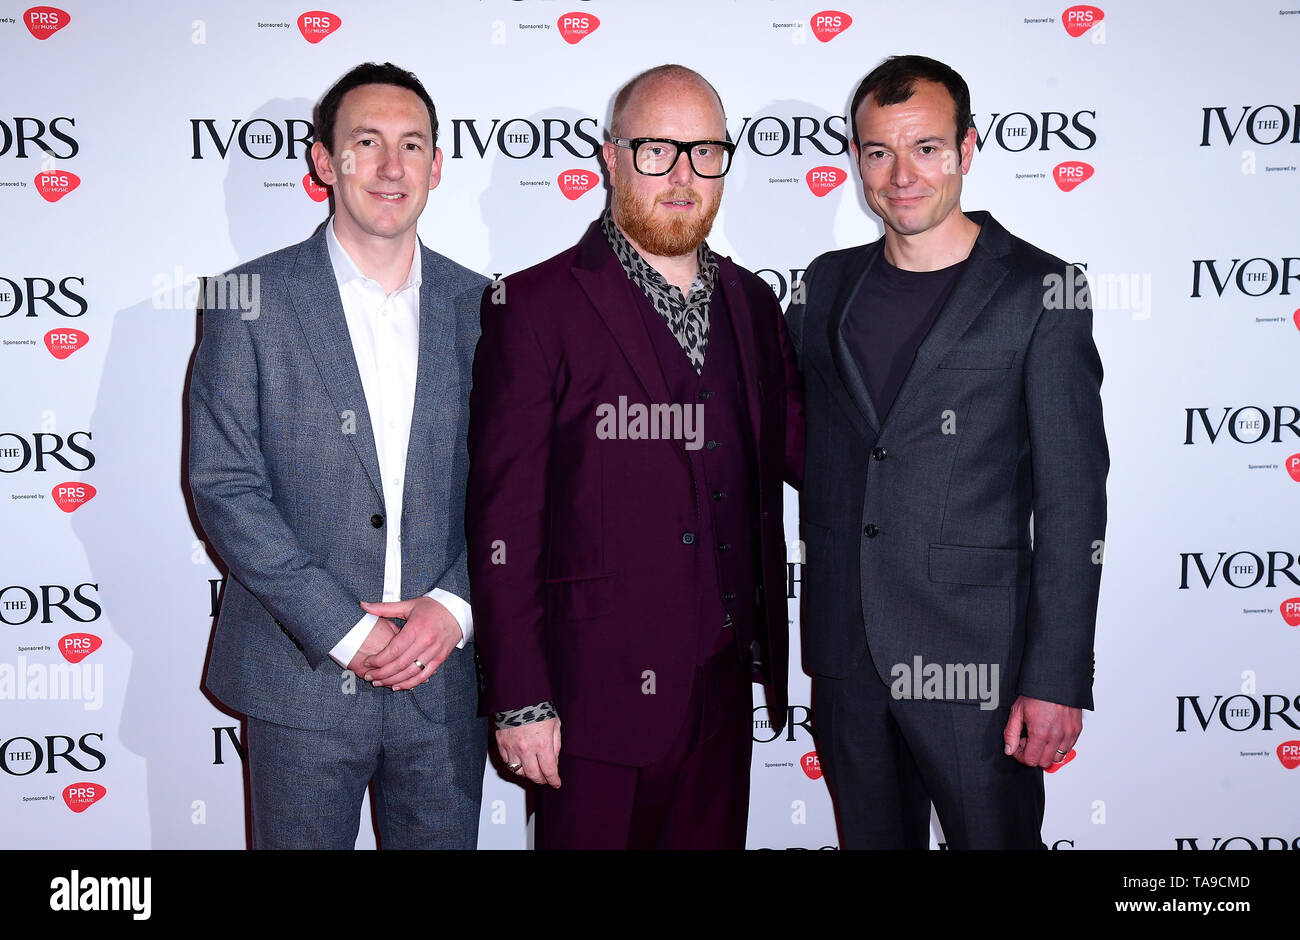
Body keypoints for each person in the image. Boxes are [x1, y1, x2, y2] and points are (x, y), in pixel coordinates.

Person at [466, 64, 803, 849]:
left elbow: (812, 454)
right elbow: (504, 518)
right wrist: (521, 699)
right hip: (590, 706)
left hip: (723, 693)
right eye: (657, 150)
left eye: (705, 151)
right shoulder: (534, 306)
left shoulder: (753, 304)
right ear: (611, 158)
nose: (683, 176)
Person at [788, 54, 1107, 849]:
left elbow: (1072, 501)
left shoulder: (1042, 291)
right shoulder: (822, 287)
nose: (901, 175)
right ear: (855, 159)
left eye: (926, 148)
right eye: (878, 152)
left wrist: (1055, 677)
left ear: (967, 149)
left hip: (981, 668)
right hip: (848, 659)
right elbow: (814, 450)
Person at [188, 62, 488, 849]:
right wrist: (348, 633)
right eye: (367, 143)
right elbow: (225, 486)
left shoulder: (492, 310)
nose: (392, 168)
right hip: (301, 678)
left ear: (437, 165)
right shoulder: (244, 299)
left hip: (446, 683)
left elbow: (520, 488)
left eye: (413, 145)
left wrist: (455, 608)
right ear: (325, 162)